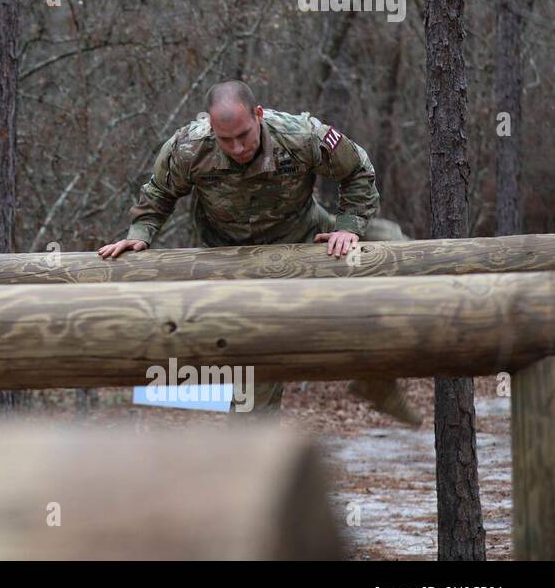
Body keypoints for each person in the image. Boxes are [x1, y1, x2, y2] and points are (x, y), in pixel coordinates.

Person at [98, 79, 421, 425]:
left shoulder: (300, 136)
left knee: (392, 242)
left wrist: (348, 227)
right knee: (257, 367)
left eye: (243, 135)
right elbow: (158, 192)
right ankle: (251, 459)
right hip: (235, 262)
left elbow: (357, 170)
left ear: (258, 115)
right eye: (225, 140)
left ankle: (378, 379)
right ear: (210, 125)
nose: (237, 148)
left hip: (306, 236)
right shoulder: (189, 147)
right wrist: (140, 234)